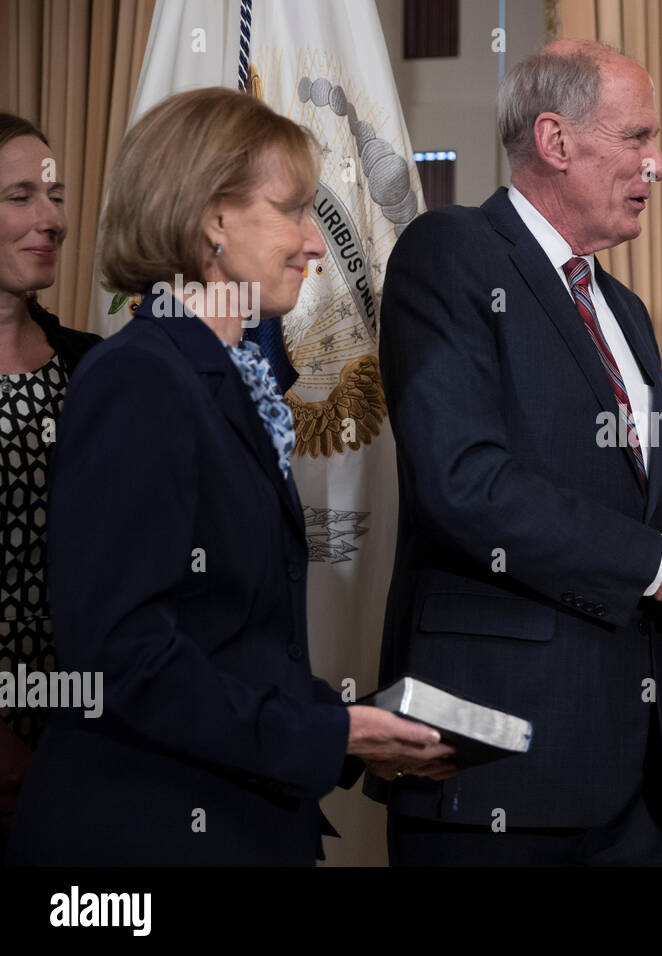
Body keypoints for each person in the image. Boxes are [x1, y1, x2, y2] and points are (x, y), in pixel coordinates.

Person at [371, 40, 662, 866]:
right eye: (639, 138)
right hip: (500, 763)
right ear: (556, 140)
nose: (659, 164)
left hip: (637, 773)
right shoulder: (450, 254)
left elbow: (654, 499)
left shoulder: (624, 308)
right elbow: (464, 483)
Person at [5, 88, 454, 867]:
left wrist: (354, 734)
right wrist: (327, 732)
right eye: (291, 211)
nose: (315, 243)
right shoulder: (139, 378)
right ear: (213, 219)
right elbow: (122, 657)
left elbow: (233, 642)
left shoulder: (230, 378)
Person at [0, 114, 101, 859]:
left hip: (82, 743)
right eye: (21, 196)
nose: (51, 219)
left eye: (56, 194)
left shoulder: (92, 368)